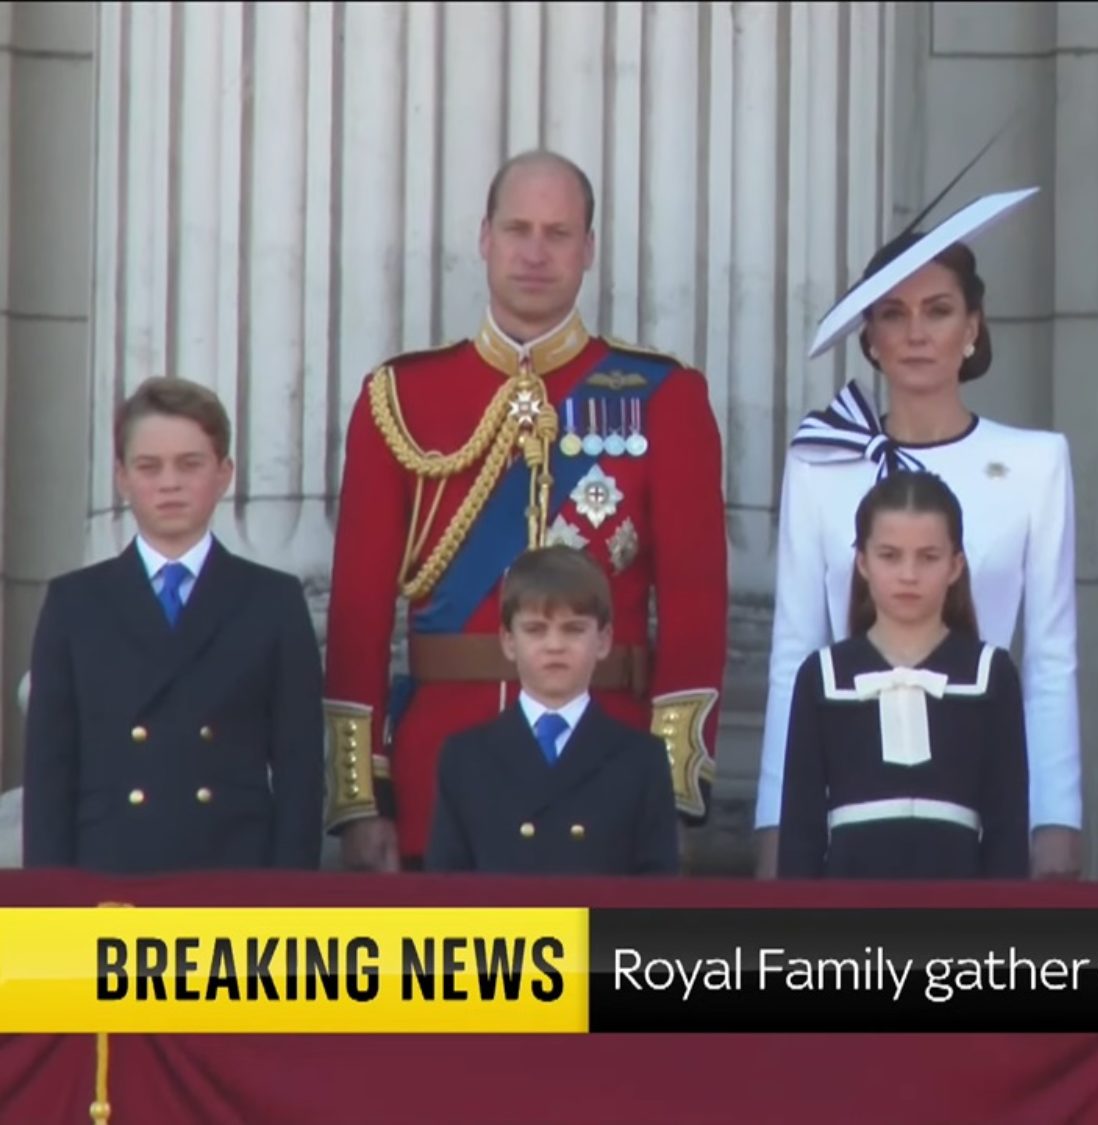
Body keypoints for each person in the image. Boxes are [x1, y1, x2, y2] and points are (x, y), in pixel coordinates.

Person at [321, 150, 727, 871]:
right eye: (518, 230)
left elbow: (696, 608)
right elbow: (358, 610)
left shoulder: (665, 397)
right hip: (440, 778)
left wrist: (672, 786)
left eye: (559, 233)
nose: (536, 252)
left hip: (610, 770)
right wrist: (363, 794)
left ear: (589, 249)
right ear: (484, 238)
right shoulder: (400, 399)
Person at [755, 186, 1082, 879]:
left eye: (938, 311)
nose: (915, 333)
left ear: (972, 327)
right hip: (849, 793)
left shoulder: (1035, 462)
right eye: (892, 314)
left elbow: (1052, 658)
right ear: (868, 336)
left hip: (980, 776)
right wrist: (775, 823)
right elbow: (796, 649)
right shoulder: (821, 462)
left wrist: (1056, 819)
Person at [23, 377, 324, 872]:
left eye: (190, 464)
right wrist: (51, 909)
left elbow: (300, 773)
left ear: (224, 473)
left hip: (233, 877)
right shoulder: (74, 603)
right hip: (108, 877)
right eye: (149, 466)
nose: (169, 483)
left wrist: (288, 898)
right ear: (121, 477)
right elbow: (49, 776)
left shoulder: (273, 601)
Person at [777, 472, 1030, 880]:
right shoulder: (822, 676)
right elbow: (800, 834)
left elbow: (1007, 833)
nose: (909, 575)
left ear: (955, 565)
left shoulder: (991, 674)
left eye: (928, 557)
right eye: (890, 556)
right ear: (862, 562)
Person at [426, 547, 680, 876]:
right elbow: (446, 896)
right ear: (508, 641)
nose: (554, 645)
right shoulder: (465, 758)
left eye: (573, 629)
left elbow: (656, 899)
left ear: (603, 640)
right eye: (535, 629)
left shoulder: (642, 760)